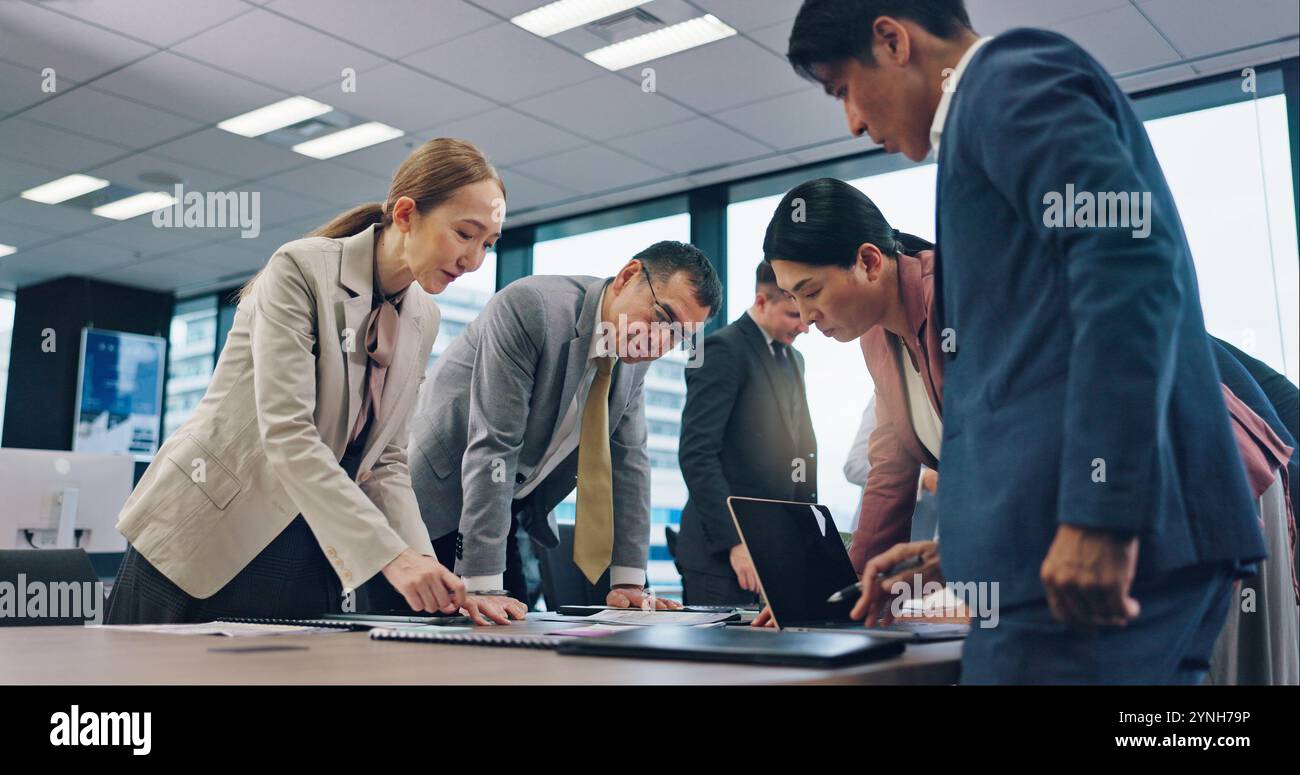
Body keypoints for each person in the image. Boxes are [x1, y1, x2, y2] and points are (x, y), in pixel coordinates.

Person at [781, 0, 1269, 683]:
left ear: (891, 40)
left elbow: (1128, 264)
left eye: (843, 90)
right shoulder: (981, 130)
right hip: (1067, 555)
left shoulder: (1010, 82)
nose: (854, 121)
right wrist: (966, 549)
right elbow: (1039, 368)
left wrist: (1101, 514)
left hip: (1102, 555)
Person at [106, 138, 503, 623]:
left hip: (310, 544)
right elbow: (289, 435)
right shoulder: (300, 269)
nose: (475, 260)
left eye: (487, 244)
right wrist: (390, 557)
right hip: (204, 537)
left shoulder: (425, 316)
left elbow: (388, 463)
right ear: (404, 214)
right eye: (465, 234)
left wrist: (424, 564)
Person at [409, 242, 721, 624]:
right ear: (628, 277)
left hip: (502, 509)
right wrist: (483, 585)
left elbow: (630, 464)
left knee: (507, 639)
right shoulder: (533, 307)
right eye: (662, 317)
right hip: (432, 499)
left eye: (678, 336)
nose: (659, 342)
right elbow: (495, 444)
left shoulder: (633, 357)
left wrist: (629, 582)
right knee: (414, 645)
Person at [677, 262, 815, 606]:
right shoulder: (720, 349)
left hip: (776, 552)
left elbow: (800, 449)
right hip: (722, 557)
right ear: (761, 301)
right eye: (792, 315)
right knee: (721, 659)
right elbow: (697, 453)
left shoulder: (794, 359)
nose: (803, 327)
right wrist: (735, 543)